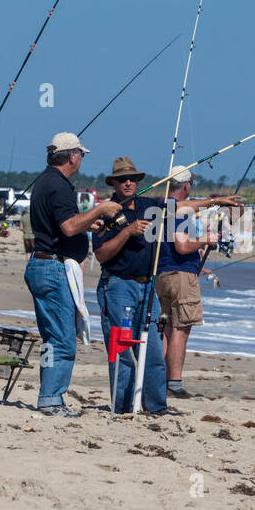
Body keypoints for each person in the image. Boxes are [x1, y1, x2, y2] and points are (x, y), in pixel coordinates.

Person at [25, 132, 121, 417]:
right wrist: (100, 208)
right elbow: (67, 227)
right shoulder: (58, 184)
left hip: (42, 264)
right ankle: (51, 399)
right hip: (52, 267)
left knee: (52, 336)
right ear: (72, 156)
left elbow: (62, 225)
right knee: (62, 339)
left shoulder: (45, 180)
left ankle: (48, 395)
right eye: (81, 154)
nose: (82, 159)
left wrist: (89, 224)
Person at [154, 168, 241, 398]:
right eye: (190, 184)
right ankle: (174, 383)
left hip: (161, 275)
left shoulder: (160, 208)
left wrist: (199, 265)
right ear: (185, 186)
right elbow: (182, 246)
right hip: (179, 276)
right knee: (180, 330)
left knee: (166, 329)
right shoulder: (180, 212)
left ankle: (159, 380)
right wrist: (206, 239)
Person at [93, 156, 169, 415]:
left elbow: (182, 206)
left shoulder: (150, 206)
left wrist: (214, 201)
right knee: (122, 349)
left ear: (138, 182)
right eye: (122, 179)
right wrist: (127, 232)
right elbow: (101, 255)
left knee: (154, 351)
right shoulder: (107, 211)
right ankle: (122, 406)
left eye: (132, 179)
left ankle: (156, 407)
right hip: (117, 287)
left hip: (148, 288)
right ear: (113, 182)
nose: (128, 182)